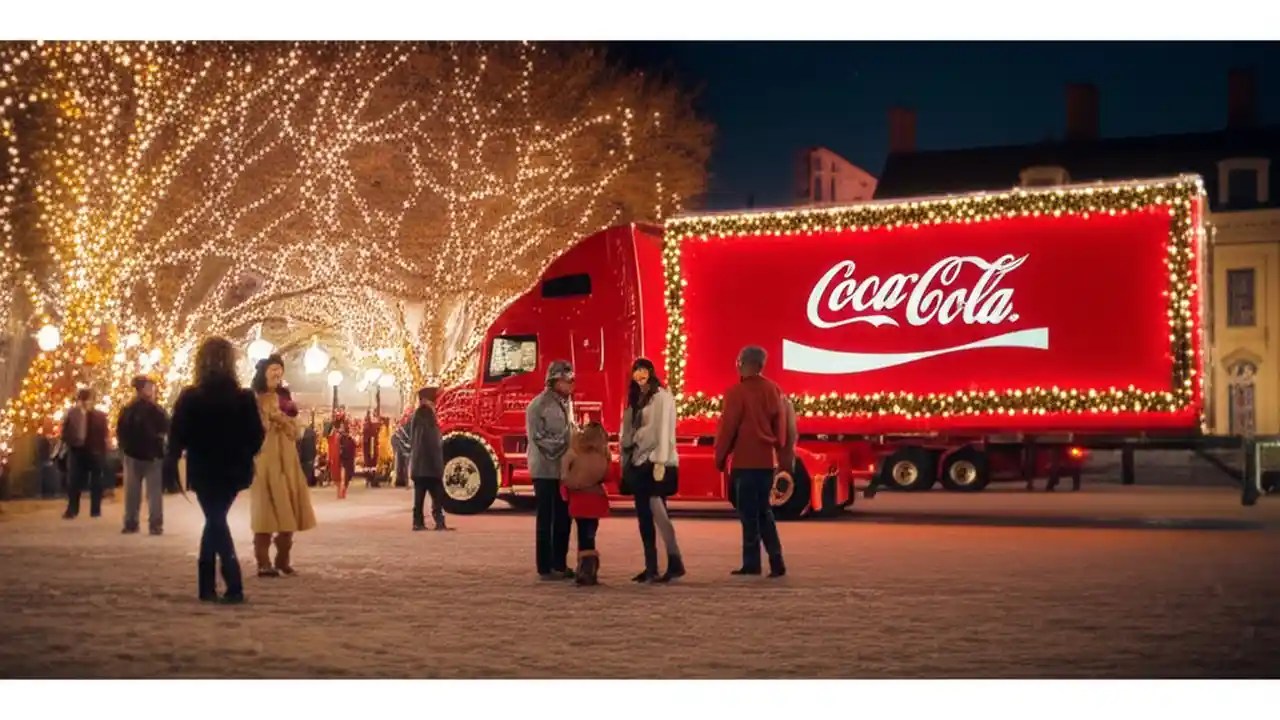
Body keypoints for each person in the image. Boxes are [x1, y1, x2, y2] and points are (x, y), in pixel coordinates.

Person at [168, 337, 265, 603]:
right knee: (216, 520)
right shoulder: (243, 398)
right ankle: (226, 584)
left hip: (203, 468)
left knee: (214, 521)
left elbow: (177, 435)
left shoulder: (191, 398)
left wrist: (175, 460)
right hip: (233, 470)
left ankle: (213, 585)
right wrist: (244, 453)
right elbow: (256, 436)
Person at [714, 345, 789, 578]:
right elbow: (781, 427)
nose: (738, 365)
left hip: (745, 461)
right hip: (767, 461)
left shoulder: (736, 393)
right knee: (765, 511)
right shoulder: (773, 390)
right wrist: (778, 446)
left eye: (740, 362)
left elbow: (728, 428)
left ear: (749, 365)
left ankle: (751, 563)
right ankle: (777, 562)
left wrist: (720, 456)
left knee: (748, 515)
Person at [249, 354, 317, 578]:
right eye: (272, 369)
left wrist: (288, 422)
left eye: (280, 369)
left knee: (289, 505)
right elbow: (263, 422)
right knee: (267, 507)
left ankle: (283, 559)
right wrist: (280, 419)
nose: (277, 373)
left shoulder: (283, 395)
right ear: (263, 373)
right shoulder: (256, 397)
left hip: (287, 456)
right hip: (267, 455)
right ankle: (263, 561)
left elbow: (293, 425)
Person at [619, 357, 685, 583]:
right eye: (636, 371)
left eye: (643, 371)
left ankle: (672, 561)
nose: (639, 375)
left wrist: (661, 461)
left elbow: (661, 432)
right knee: (646, 516)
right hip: (640, 462)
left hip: (654, 462)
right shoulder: (639, 398)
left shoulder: (661, 398)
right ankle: (653, 565)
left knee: (657, 514)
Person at [526, 360, 575, 580]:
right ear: (554, 380)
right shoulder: (538, 405)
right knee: (547, 518)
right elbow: (539, 439)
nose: (570, 384)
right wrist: (566, 443)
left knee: (564, 517)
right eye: (566, 380)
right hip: (545, 470)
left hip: (562, 471)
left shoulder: (566, 404)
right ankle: (545, 566)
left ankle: (560, 563)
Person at [116, 375, 170, 535]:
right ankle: (155, 524)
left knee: (133, 492)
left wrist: (124, 448)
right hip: (151, 455)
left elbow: (121, 431)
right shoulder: (156, 410)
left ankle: (132, 522)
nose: (152, 390)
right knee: (154, 493)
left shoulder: (128, 410)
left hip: (134, 454)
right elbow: (166, 428)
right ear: (142, 389)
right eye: (149, 387)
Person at [560, 422, 610, 586]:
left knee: (582, 535)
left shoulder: (574, 453)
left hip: (579, 500)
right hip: (596, 500)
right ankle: (590, 568)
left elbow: (565, 475)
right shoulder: (603, 456)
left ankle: (585, 569)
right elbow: (609, 477)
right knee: (590, 535)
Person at [62, 388, 109, 520]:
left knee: (95, 482)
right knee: (74, 481)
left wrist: (103, 451)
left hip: (94, 451)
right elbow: (65, 432)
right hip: (78, 450)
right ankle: (73, 509)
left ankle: (95, 510)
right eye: (83, 400)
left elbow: (104, 435)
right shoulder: (73, 414)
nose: (85, 403)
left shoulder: (99, 416)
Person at [409, 386, 450, 531]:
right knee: (436, 495)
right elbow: (431, 441)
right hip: (429, 464)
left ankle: (419, 522)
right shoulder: (426, 414)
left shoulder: (419, 414)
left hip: (419, 464)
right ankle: (438, 521)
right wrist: (438, 463)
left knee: (420, 496)